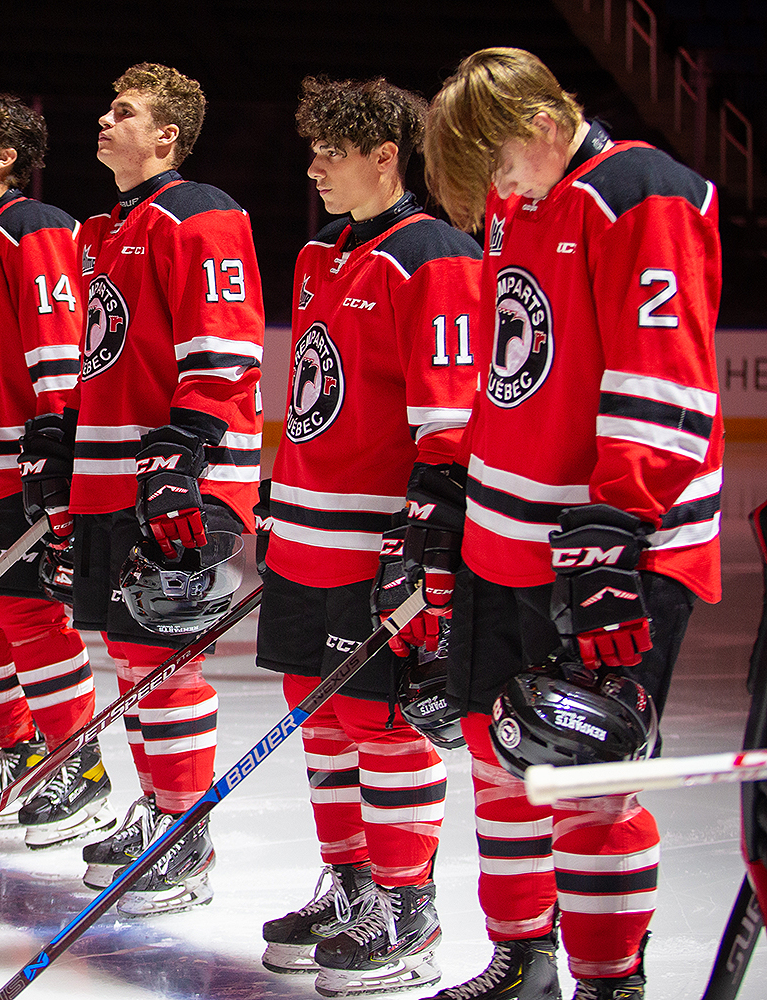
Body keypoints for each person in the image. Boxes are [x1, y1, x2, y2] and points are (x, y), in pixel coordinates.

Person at [416, 47, 722, 1000]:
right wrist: (456, 480)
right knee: (495, 746)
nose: (493, 190)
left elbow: (664, 378)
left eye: (497, 163)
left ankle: (606, 985)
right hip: (504, 538)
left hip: (606, 551)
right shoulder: (526, 199)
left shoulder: (643, 196)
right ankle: (523, 962)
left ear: (544, 125)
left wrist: (615, 537)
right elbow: (521, 370)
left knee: (586, 773)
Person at [254, 75, 483, 997]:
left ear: (385, 156)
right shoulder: (321, 253)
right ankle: (351, 883)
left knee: (382, 727)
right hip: (307, 532)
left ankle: (406, 903)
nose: (312, 169)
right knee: (317, 714)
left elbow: (452, 427)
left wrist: (418, 552)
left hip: (375, 542)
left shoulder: (434, 257)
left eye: (330, 153)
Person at [23, 63, 263, 915]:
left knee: (166, 658)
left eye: (122, 112)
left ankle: (184, 836)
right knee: (132, 658)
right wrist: (68, 425)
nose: (103, 120)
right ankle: (161, 809)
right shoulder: (104, 228)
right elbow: (112, 353)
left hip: (172, 481)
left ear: (166, 136)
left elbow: (225, 349)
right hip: (110, 473)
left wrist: (183, 463)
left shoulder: (200, 212)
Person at [0, 93, 108, 846]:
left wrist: (56, 441)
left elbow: (59, 338)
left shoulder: (34, 227)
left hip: (18, 458)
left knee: (26, 614)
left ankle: (82, 762)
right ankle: (21, 750)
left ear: (6, 157)